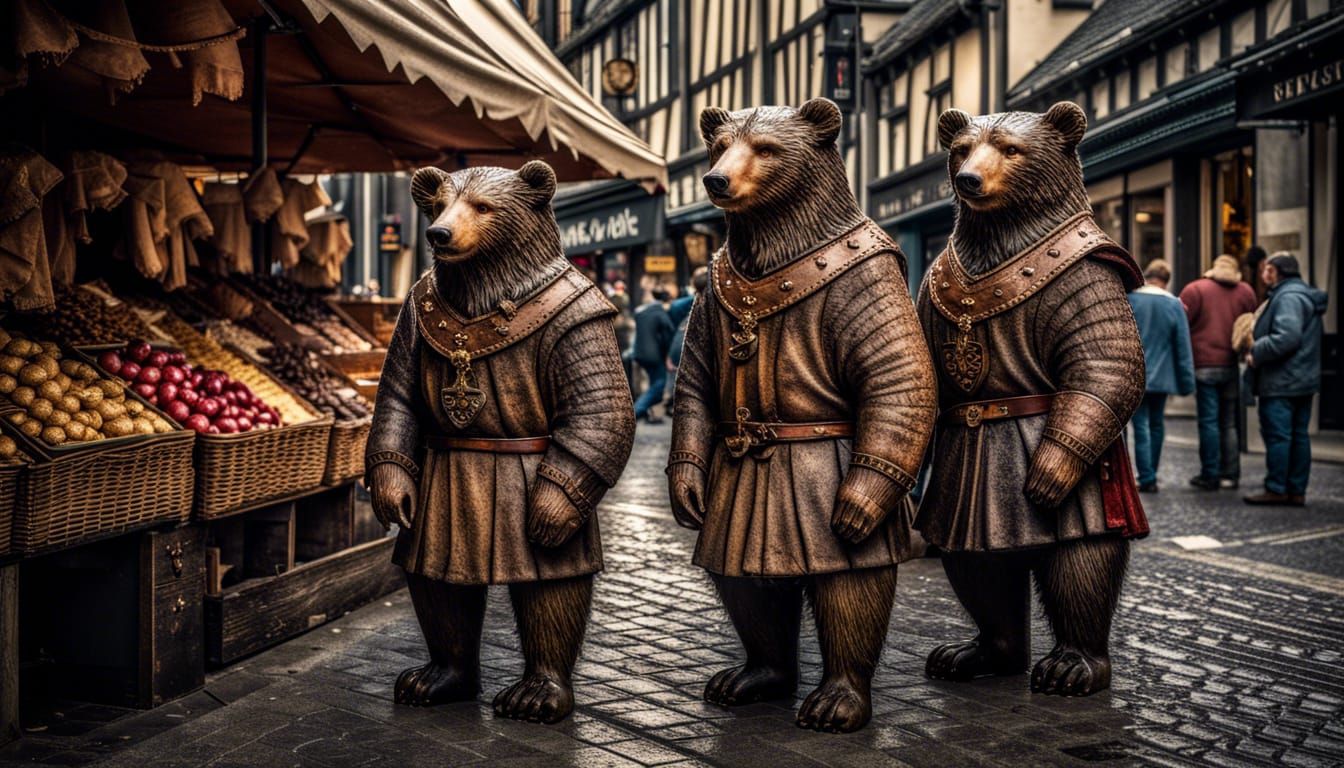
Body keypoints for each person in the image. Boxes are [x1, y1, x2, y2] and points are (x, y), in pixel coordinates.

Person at [1244, 253, 1326, 506]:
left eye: (1267, 269)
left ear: (1278, 271)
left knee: (1279, 435)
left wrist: (1256, 352)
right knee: (1298, 434)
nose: (1263, 274)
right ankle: (1295, 489)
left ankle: (1278, 487)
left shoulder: (1288, 297)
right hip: (1300, 377)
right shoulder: (1298, 294)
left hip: (1282, 380)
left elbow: (1287, 337)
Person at [1179, 254, 1257, 490]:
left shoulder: (1196, 289)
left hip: (1203, 365)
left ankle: (1210, 474)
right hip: (1231, 365)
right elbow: (1250, 325)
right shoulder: (1246, 292)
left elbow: (1181, 324)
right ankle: (1231, 475)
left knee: (1209, 422)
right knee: (1229, 423)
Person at [1127, 259, 1195, 493]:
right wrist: (1187, 381)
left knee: (1141, 425)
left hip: (1135, 374)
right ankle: (1151, 473)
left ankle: (1146, 477)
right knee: (1157, 424)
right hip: (1164, 377)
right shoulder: (1174, 304)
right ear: (1166, 281)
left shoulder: (1131, 299)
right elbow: (1182, 345)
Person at [632, 287, 675, 423]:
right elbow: (668, 334)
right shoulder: (660, 313)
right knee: (659, 386)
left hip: (640, 354)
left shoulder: (643, 311)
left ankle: (650, 415)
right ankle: (636, 411)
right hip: (654, 356)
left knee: (653, 383)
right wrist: (669, 355)